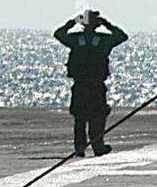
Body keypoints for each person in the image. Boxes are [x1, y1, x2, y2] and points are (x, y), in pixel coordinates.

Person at [54, 10, 128, 157]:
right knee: (96, 117)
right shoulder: (103, 40)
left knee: (81, 118)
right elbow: (121, 36)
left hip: (82, 84)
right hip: (95, 84)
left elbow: (59, 34)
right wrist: (107, 24)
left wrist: (74, 22)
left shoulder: (76, 39)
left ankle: (80, 147)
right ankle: (97, 145)